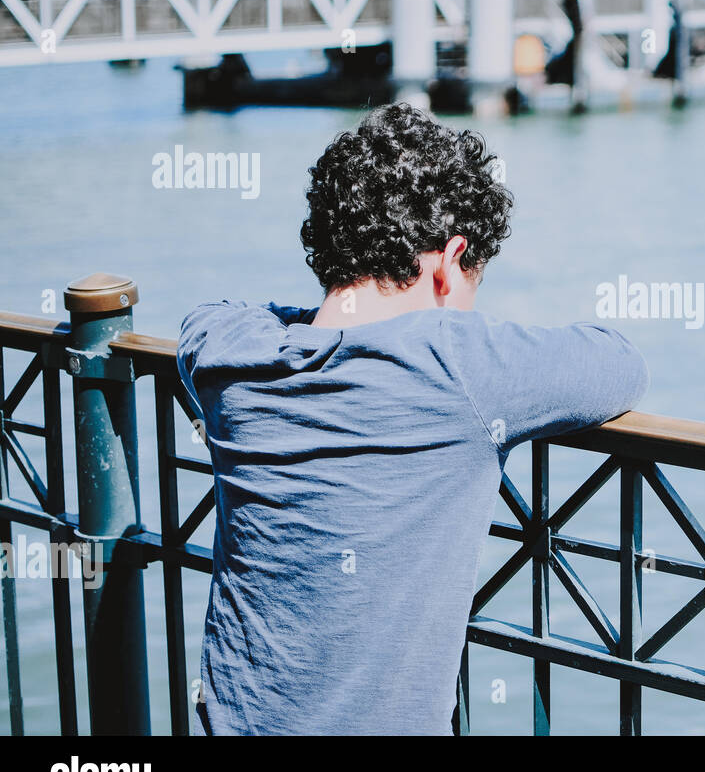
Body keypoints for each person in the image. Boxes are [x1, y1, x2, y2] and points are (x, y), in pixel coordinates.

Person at [176, 103, 648, 735]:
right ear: (450, 261)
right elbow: (619, 365)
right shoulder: (458, 363)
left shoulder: (230, 351)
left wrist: (326, 333)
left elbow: (212, 315)